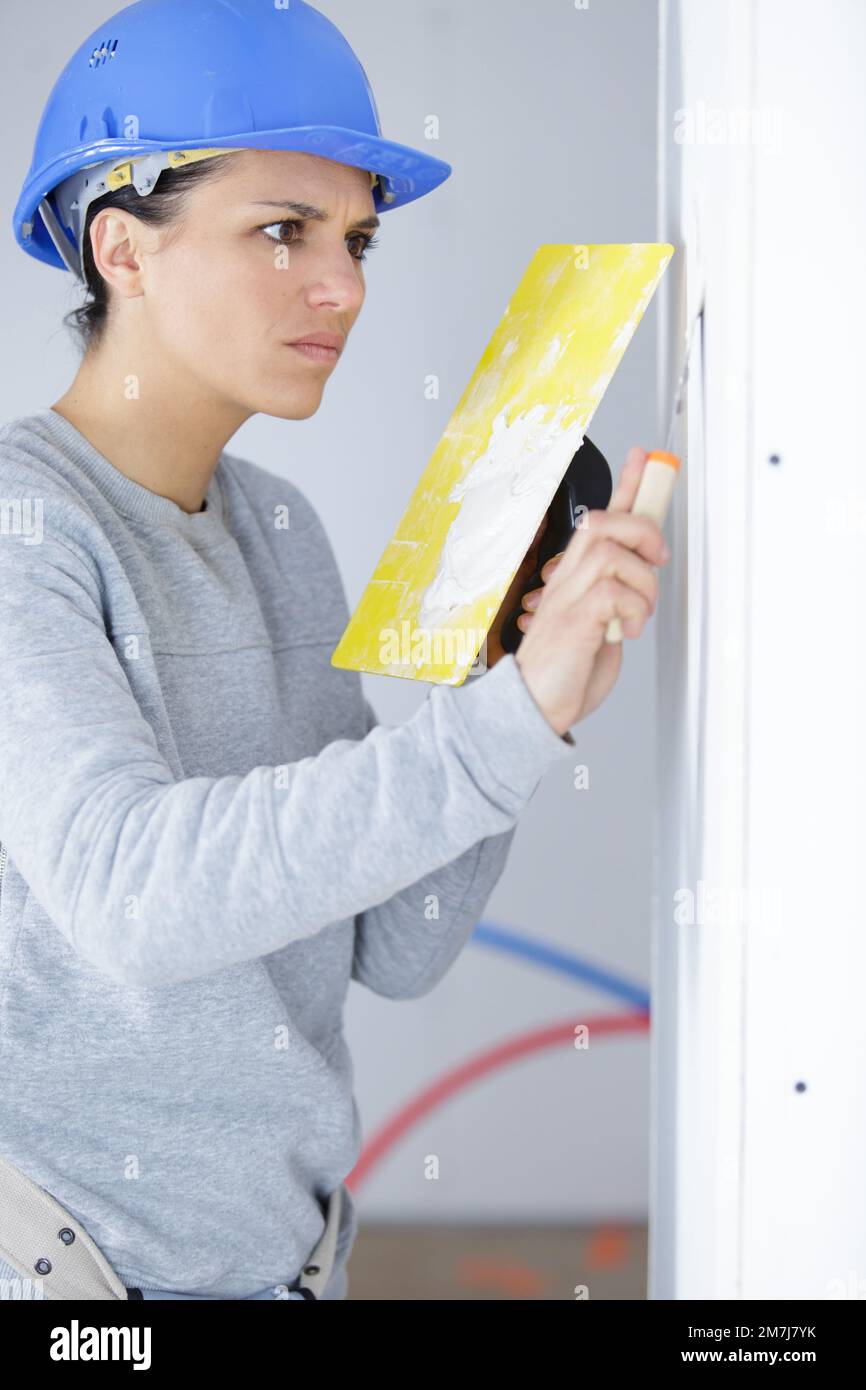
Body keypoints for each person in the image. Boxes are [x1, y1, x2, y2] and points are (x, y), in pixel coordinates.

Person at [0, 0, 668, 1300]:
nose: (345, 286)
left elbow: (394, 947)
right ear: (121, 250)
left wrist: (509, 687)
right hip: (75, 1290)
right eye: (281, 232)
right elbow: (131, 896)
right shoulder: (25, 529)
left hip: (289, 1268)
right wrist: (496, 727)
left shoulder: (282, 531)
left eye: (355, 238)